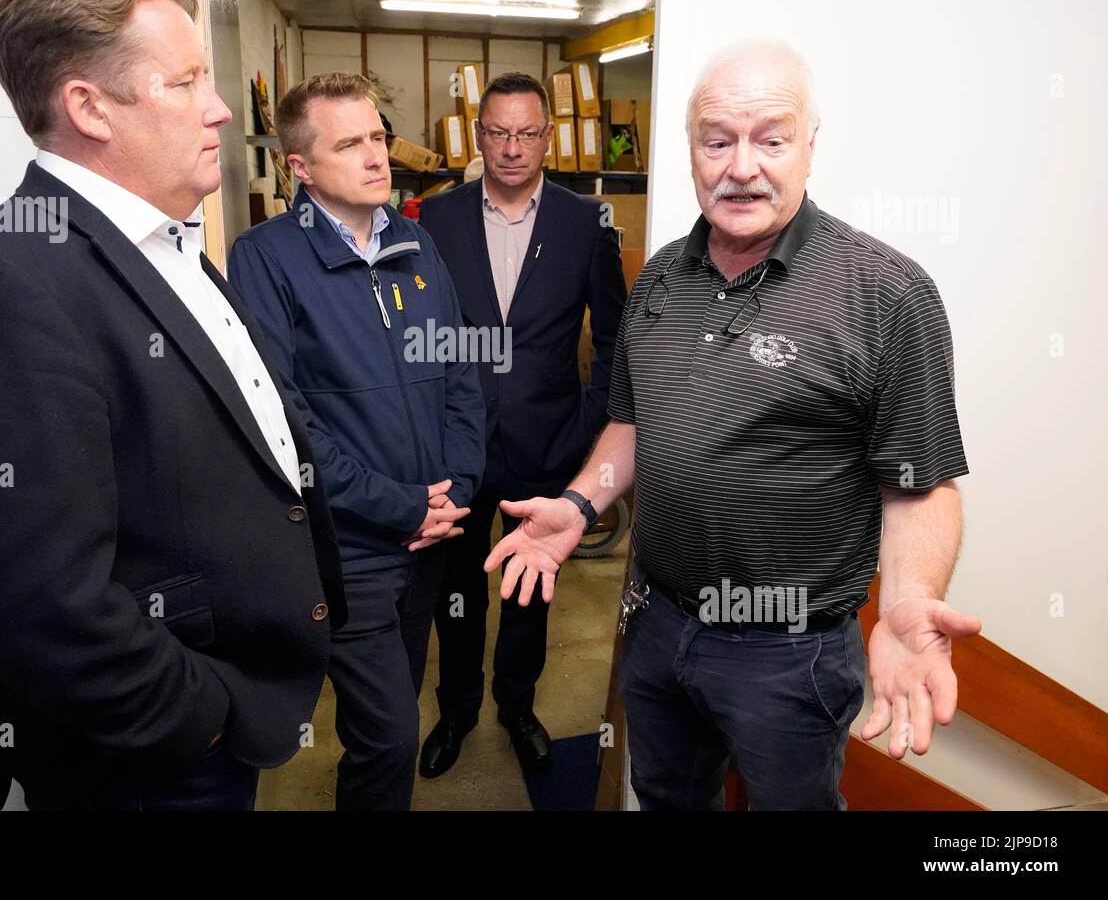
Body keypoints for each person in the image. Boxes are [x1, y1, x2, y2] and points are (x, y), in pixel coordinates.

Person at [0, 0, 345, 811]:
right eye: (184, 82)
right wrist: (210, 719)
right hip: (151, 768)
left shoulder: (166, 247)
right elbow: (43, 608)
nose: (217, 109)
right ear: (88, 106)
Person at [484, 40, 981, 810]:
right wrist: (580, 505)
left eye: (770, 139)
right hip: (656, 621)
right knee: (667, 796)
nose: (741, 166)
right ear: (692, 153)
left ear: (809, 147)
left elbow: (919, 484)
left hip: (790, 654)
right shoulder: (657, 278)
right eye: (718, 141)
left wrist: (909, 599)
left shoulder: (887, 295)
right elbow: (632, 422)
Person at [227, 72, 485, 810]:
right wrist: (399, 505)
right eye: (351, 143)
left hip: (430, 532)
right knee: (391, 734)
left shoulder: (416, 242)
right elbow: (284, 421)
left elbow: (461, 370)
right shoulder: (266, 258)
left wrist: (455, 490)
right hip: (352, 550)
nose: (378, 155)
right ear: (299, 167)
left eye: (377, 135)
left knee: (395, 707)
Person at [417, 73, 626, 775]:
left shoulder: (584, 221)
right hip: (458, 446)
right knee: (459, 588)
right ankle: (455, 710)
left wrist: (590, 422)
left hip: (550, 444)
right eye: (498, 132)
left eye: (527, 133)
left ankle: (515, 703)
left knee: (531, 589)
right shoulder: (435, 220)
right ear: (478, 135)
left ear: (549, 138)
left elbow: (615, 333)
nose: (511, 148)